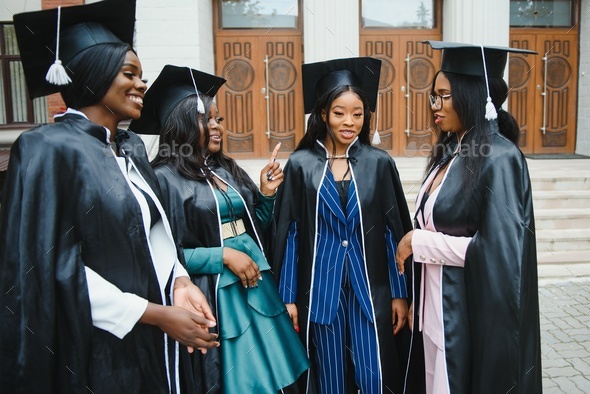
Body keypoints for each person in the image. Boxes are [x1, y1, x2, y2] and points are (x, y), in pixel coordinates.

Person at [0, 2, 219, 393]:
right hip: (96, 341)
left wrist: (180, 282)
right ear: (93, 73)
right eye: (129, 74)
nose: (142, 85)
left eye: (142, 75)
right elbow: (49, 267)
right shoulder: (47, 148)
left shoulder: (131, 147)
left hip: (158, 334)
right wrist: (153, 314)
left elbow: (155, 229)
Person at [129, 64, 310, 394]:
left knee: (281, 373)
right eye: (206, 120)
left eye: (218, 120)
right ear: (181, 124)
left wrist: (266, 195)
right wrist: (222, 256)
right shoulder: (163, 179)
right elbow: (164, 253)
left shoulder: (225, 169)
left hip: (256, 287)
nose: (216, 127)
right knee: (243, 379)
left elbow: (258, 229)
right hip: (215, 294)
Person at [395, 41, 542, 394]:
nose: (435, 105)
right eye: (433, 96)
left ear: (473, 95)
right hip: (431, 311)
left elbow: (500, 254)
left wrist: (420, 241)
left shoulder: (500, 158)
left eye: (444, 95)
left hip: (463, 315)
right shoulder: (451, 151)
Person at [272, 57, 413, 394]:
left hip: (370, 289)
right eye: (339, 112)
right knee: (331, 380)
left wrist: (399, 292)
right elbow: (290, 234)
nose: (349, 121)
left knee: (375, 377)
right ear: (323, 114)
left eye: (357, 113)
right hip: (321, 292)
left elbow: (392, 232)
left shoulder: (378, 164)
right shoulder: (301, 165)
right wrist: (288, 297)